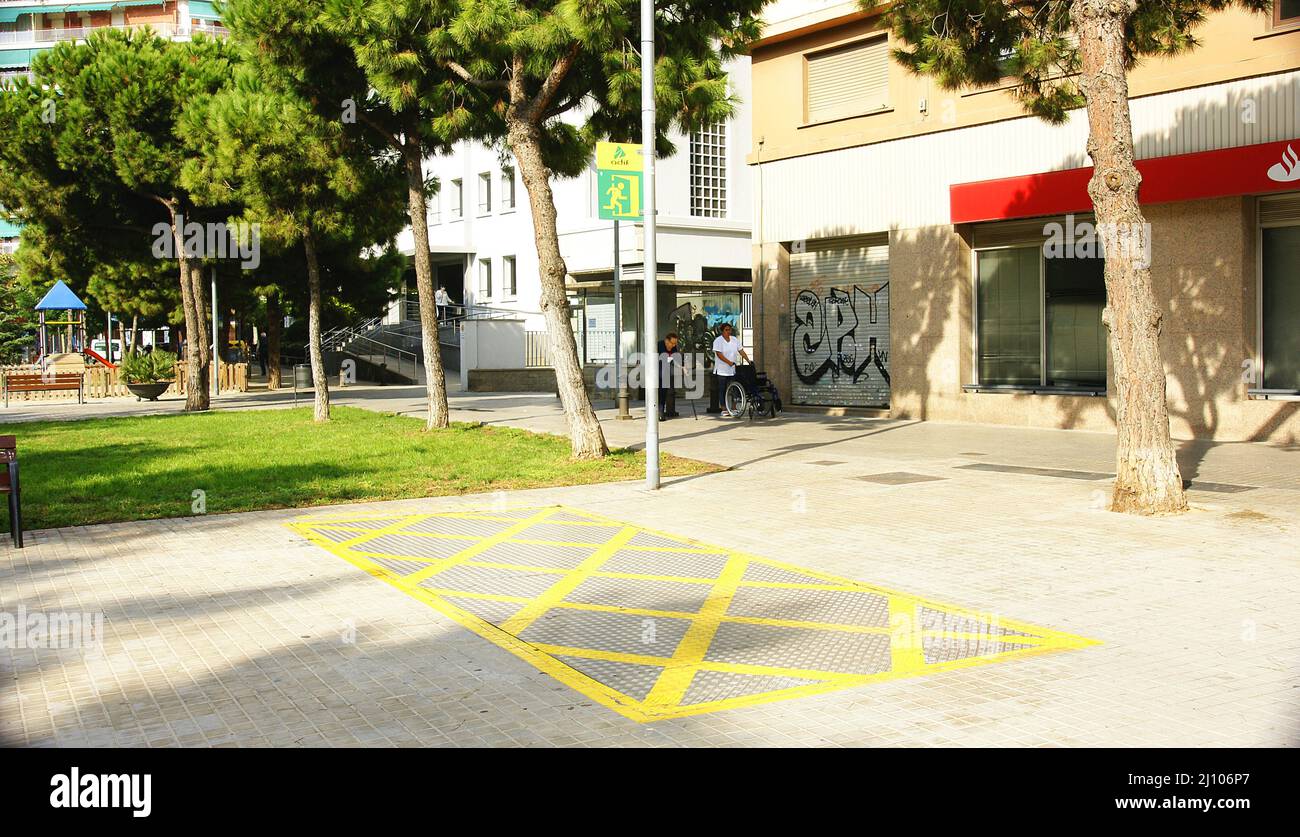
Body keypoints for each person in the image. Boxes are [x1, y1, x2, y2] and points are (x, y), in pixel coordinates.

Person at [712, 322, 749, 416]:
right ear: (722, 331)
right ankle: (723, 408)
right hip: (721, 370)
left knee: (734, 389)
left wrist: (748, 360)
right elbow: (719, 354)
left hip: (732, 369)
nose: (728, 332)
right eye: (726, 330)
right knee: (722, 389)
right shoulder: (718, 341)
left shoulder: (735, 340)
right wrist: (728, 362)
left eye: (730, 330)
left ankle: (733, 407)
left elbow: (741, 351)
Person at [656, 332, 681, 420]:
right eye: (672, 343)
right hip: (656, 370)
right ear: (666, 341)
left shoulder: (673, 348)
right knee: (658, 391)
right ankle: (658, 411)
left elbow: (676, 359)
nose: (673, 345)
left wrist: (682, 367)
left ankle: (661, 411)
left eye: (675, 343)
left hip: (665, 371)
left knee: (663, 392)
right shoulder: (659, 345)